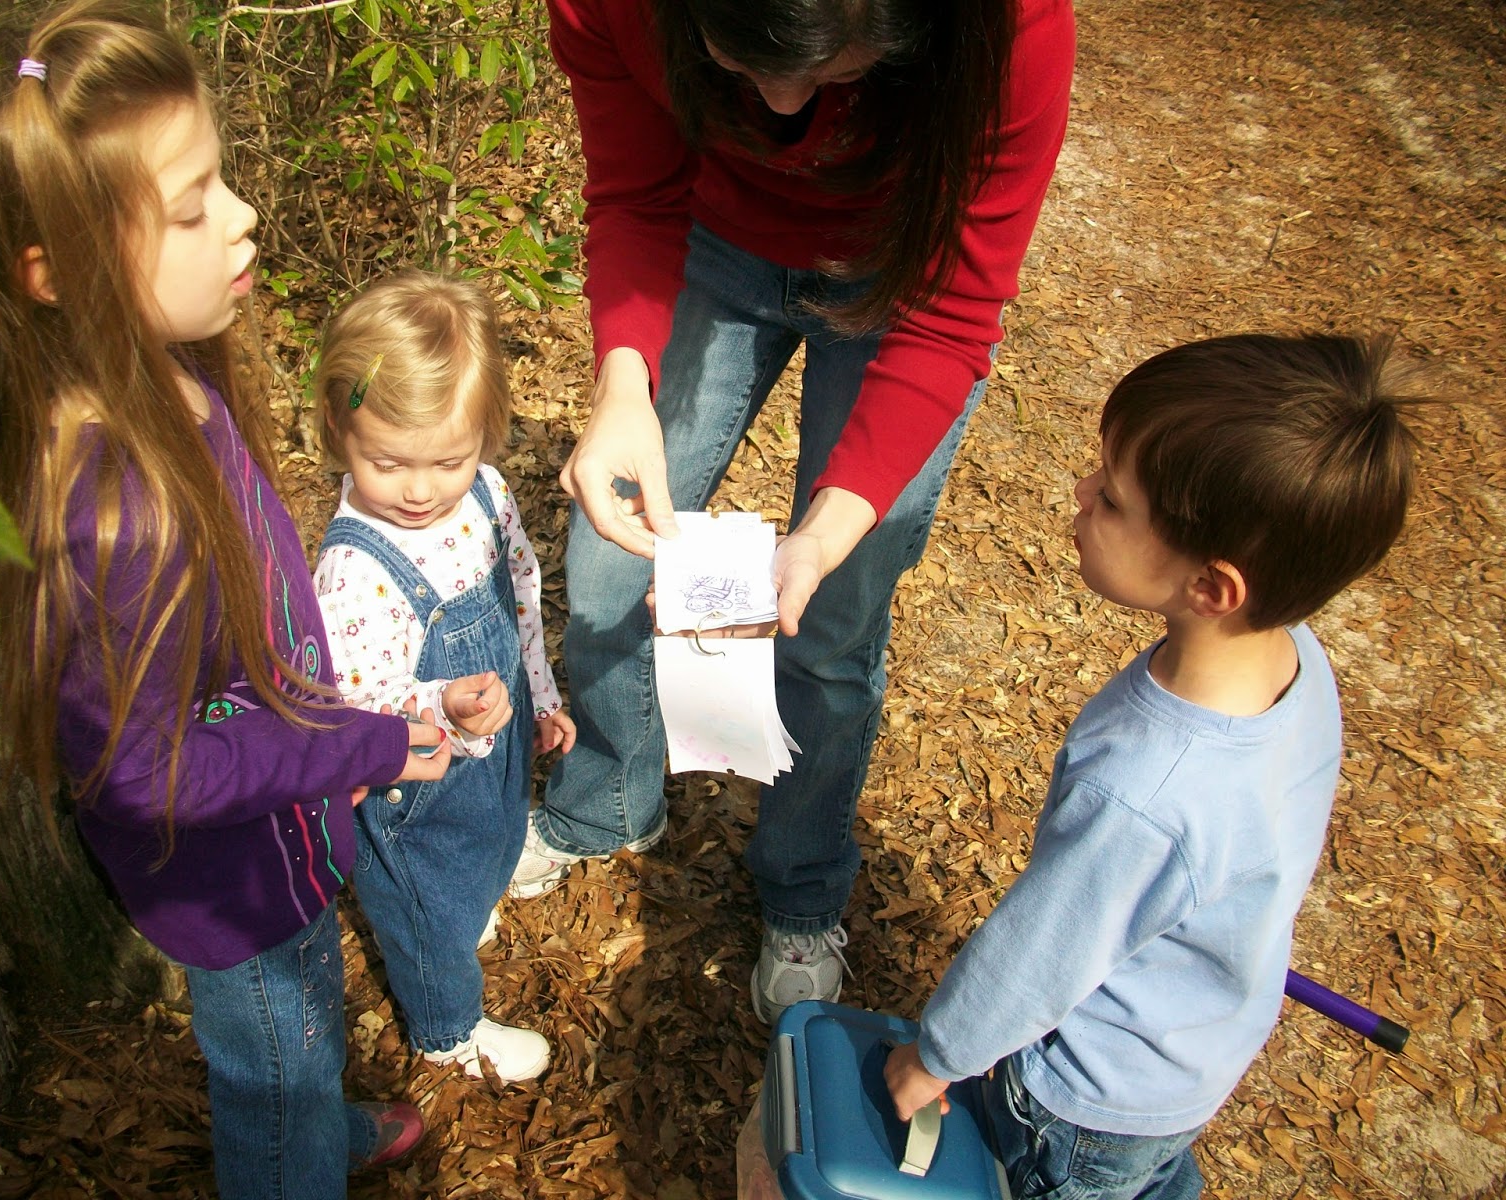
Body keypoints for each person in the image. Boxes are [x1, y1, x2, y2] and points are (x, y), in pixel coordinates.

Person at [0, 3, 453, 1195]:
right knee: (271, 1066)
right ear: (53, 273)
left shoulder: (172, 367)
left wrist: (327, 749)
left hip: (283, 837)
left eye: (224, 181)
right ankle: (289, 1158)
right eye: (193, 205)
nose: (243, 216)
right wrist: (352, 746)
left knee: (303, 1032)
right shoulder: (114, 516)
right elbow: (149, 770)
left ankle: (314, 1122)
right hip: (232, 887)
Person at [508, 0, 1077, 1023]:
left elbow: (953, 308)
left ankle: (802, 886)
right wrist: (623, 384)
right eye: (739, 61)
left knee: (829, 624)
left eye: (831, 74)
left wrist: (827, 528)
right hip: (712, 248)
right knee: (604, 560)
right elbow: (635, 193)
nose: (777, 104)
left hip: (898, 275)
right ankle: (603, 806)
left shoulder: (1008, 24)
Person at [883, 334, 1427, 1199]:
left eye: (1114, 498)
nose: (1082, 491)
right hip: (1196, 1046)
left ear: (1213, 588)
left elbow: (1040, 954)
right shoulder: (1298, 660)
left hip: (1086, 1097)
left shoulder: (1143, 790)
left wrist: (936, 1057)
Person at [312, 271, 575, 1082]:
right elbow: (358, 701)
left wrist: (541, 691)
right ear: (338, 434)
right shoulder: (355, 567)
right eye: (388, 463)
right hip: (417, 775)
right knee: (424, 901)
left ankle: (472, 902)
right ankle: (446, 1026)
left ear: (486, 437)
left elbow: (521, 589)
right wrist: (441, 703)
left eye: (448, 461)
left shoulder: (486, 495)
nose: (421, 491)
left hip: (491, 738)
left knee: (493, 835)